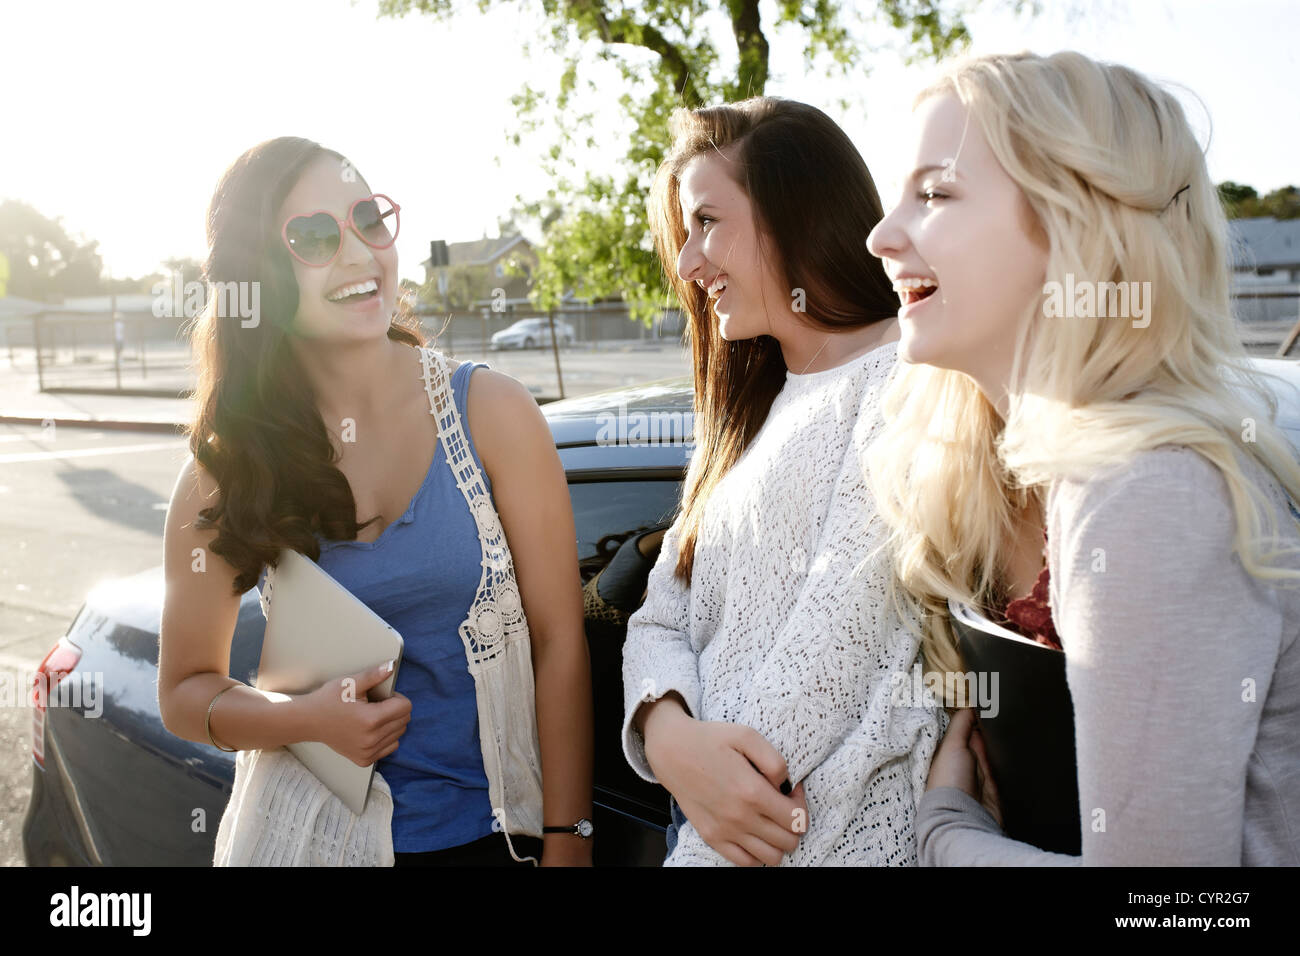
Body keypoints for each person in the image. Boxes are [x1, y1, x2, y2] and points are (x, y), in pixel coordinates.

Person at [865, 50, 1300, 865]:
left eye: (935, 195)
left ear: (1073, 229)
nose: (881, 235)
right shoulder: (993, 467)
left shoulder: (1149, 488)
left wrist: (948, 832)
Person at [157, 137, 593, 866]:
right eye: (317, 237)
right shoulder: (225, 470)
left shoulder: (493, 413)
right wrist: (302, 720)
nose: (360, 254)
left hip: (493, 842)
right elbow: (184, 692)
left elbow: (559, 644)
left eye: (369, 220)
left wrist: (569, 841)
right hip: (309, 845)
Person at [621, 97, 947, 866]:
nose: (688, 263)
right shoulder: (748, 410)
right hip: (710, 827)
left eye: (707, 222)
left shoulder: (905, 377)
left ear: (793, 211)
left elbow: (833, 654)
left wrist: (704, 824)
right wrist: (666, 736)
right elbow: (658, 620)